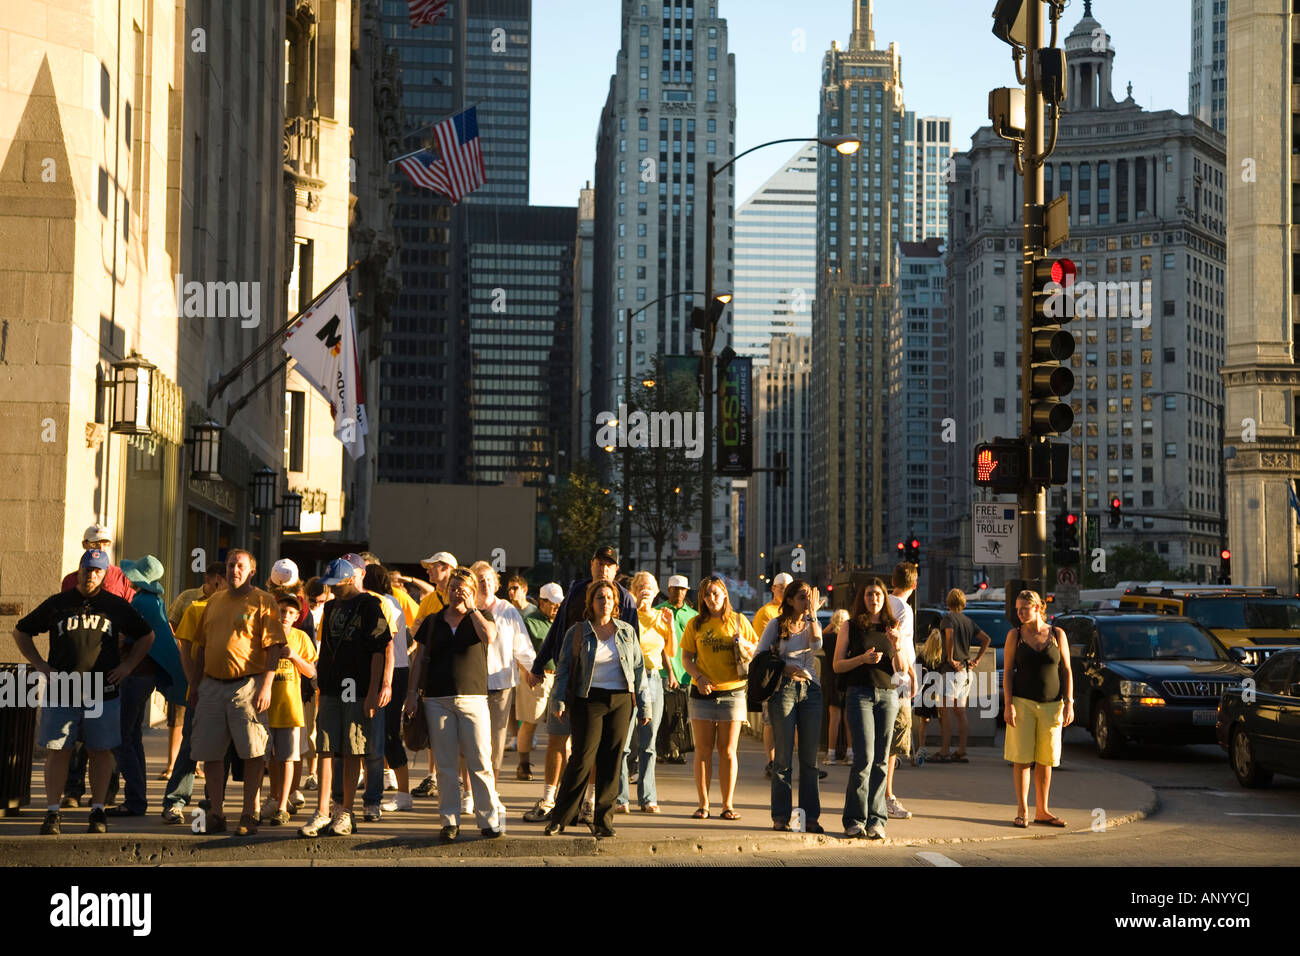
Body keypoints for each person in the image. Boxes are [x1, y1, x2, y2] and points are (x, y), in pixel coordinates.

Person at [14, 549, 154, 835]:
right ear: (79, 569)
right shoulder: (58, 603)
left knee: (101, 751)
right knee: (58, 750)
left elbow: (147, 635)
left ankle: (98, 810)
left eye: (97, 570)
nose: (91, 574)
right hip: (63, 690)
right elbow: (21, 631)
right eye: (87, 569)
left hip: (102, 691)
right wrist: (40, 664)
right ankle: (53, 813)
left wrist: (128, 666)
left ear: (105, 573)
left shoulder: (114, 605)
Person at [523, 546, 637, 824]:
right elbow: (558, 631)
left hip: (605, 689)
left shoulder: (626, 599)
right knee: (557, 739)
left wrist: (635, 693)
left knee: (593, 749)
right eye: (600, 563)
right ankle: (550, 799)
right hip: (570, 680)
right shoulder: (576, 592)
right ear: (592, 565)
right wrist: (539, 665)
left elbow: (633, 647)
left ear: (616, 570)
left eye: (610, 565)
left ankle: (589, 802)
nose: (604, 569)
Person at [189, 549, 288, 836]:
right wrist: (194, 686)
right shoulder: (214, 601)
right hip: (210, 685)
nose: (234, 570)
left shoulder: (263, 601)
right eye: (231, 564)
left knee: (253, 752)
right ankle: (217, 814)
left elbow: (274, 649)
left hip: (247, 686)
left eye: (240, 566)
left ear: (251, 571)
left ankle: (249, 814)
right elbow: (202, 648)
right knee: (210, 753)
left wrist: (266, 686)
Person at [404, 566, 502, 842]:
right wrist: (412, 693)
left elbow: (490, 637)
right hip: (437, 699)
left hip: (473, 698)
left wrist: (472, 610)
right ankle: (449, 820)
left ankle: (489, 820)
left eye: (463, 588)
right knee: (445, 765)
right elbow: (419, 658)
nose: (457, 592)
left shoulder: (482, 617)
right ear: (446, 591)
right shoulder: (433, 621)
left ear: (472, 592)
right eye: (453, 588)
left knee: (480, 761)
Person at [544, 581, 649, 837]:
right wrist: (557, 701)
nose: (605, 602)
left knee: (612, 761)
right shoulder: (578, 631)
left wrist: (644, 706)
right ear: (591, 603)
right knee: (582, 759)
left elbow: (638, 670)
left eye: (610, 598)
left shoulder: (626, 631)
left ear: (615, 603)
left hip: (621, 699)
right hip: (588, 699)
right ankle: (560, 817)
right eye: (600, 598)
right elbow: (564, 668)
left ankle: (604, 821)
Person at [297, 558, 391, 837]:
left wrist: (375, 689)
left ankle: (346, 812)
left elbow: (380, 649)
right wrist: (319, 681)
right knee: (326, 747)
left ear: (350, 579)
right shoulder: (330, 606)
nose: (331, 590)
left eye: (335, 584)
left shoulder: (370, 605)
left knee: (353, 749)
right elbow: (325, 646)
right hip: (330, 686)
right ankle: (323, 810)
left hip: (357, 686)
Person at [58, 524, 135, 808]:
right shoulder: (69, 580)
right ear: (84, 545)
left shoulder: (121, 579)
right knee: (75, 732)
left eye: (105, 543)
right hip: (76, 667)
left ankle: (106, 792)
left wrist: (125, 654)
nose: (100, 548)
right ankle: (73, 790)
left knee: (105, 734)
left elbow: (133, 617)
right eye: (95, 543)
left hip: (109, 667)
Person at [106, 556, 187, 818]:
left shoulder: (140, 602)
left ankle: (135, 800)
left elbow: (130, 638)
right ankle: (137, 798)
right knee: (133, 737)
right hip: (146, 676)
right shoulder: (155, 601)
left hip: (135, 675)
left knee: (120, 739)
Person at [680, 575, 757, 821]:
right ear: (702, 598)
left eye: (716, 593)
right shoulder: (696, 624)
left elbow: (756, 650)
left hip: (733, 691)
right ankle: (703, 804)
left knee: (727, 751)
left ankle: (727, 804)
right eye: (707, 594)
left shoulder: (739, 620)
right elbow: (686, 659)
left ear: (725, 595)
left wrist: (744, 642)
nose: (712, 598)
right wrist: (699, 678)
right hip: (702, 692)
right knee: (703, 750)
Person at [835, 577, 906, 839]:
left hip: (888, 695)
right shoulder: (851, 626)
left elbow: (900, 668)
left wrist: (896, 644)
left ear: (884, 598)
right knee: (863, 758)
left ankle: (877, 821)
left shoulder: (892, 626)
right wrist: (862, 659)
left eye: (877, 594)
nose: (874, 599)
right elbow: (837, 665)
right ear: (862, 598)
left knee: (881, 760)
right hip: (860, 694)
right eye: (869, 595)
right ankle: (854, 819)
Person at [757, 579, 825, 832]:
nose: (806, 601)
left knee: (809, 760)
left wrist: (813, 615)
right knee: (783, 758)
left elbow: (817, 644)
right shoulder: (776, 625)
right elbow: (759, 656)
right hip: (783, 690)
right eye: (801, 597)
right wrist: (784, 667)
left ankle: (809, 818)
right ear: (788, 600)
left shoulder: (811, 622)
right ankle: (781, 817)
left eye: (809, 597)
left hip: (811, 691)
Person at [160, 570, 228, 824]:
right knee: (190, 746)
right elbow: (184, 649)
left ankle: (213, 802)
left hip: (230, 691)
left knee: (221, 752)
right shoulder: (195, 606)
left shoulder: (244, 607)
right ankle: (175, 801)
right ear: (216, 581)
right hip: (200, 690)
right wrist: (192, 682)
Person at [1004, 590, 1074, 829]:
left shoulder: (1057, 634)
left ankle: (1042, 810)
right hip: (1022, 704)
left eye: (1024, 608)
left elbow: (1066, 670)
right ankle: (1022, 810)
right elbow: (1008, 673)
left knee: (1046, 759)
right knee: (1022, 759)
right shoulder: (1015, 636)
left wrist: (1069, 702)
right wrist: (1008, 704)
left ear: (1038, 608)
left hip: (1053, 705)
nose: (1020, 613)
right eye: (1017, 609)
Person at [619, 571, 677, 813]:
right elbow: (626, 643)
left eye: (650, 587)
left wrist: (670, 626)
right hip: (629, 679)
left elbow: (671, 651)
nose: (646, 590)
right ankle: (621, 798)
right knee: (624, 744)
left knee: (649, 742)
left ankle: (648, 797)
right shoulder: (627, 615)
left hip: (653, 679)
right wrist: (636, 611)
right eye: (641, 586)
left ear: (656, 591)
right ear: (633, 590)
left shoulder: (663, 616)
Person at [472, 562, 535, 779]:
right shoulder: (467, 610)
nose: (486, 584)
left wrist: (533, 670)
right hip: (471, 684)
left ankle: (492, 788)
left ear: (496, 584)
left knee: (496, 738)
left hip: (501, 683)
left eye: (489, 580)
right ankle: (470, 789)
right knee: (472, 738)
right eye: (480, 580)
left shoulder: (507, 610)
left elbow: (522, 644)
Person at [263, 594, 317, 825]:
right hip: (264, 707)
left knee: (287, 758)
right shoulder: (264, 634)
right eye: (282, 610)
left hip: (290, 706)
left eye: (291, 612)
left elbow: (311, 671)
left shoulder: (301, 637)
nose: (285, 615)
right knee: (268, 759)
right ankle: (273, 797)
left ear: (296, 618)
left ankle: (284, 804)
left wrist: (293, 655)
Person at [410, 550, 457, 798]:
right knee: (432, 723)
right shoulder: (429, 600)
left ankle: (457, 779)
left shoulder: (463, 594)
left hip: (460, 670)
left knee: (459, 728)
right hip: (433, 667)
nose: (428, 571)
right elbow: (417, 630)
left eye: (432, 566)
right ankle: (433, 776)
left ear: (446, 568)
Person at [509, 577, 559, 780]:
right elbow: (520, 651)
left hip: (559, 678)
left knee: (560, 724)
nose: (556, 607)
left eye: (559, 603)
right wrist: (529, 673)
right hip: (536, 677)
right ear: (542, 602)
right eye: (552, 603)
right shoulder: (530, 622)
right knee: (530, 723)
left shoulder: (563, 622)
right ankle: (523, 764)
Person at [937, 589, 991, 763]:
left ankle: (945, 751)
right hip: (966, 672)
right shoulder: (968, 621)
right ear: (963, 603)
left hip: (951, 671)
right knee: (961, 712)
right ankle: (962, 750)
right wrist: (977, 660)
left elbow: (949, 636)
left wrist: (950, 657)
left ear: (948, 602)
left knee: (944, 712)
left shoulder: (948, 619)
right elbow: (986, 639)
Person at [884, 563, 920, 821]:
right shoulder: (904, 609)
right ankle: (887, 797)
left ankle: (879, 796)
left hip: (877, 676)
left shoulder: (882, 601)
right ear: (914, 585)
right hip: (897, 679)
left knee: (879, 742)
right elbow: (901, 645)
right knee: (894, 744)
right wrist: (912, 674)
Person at [752, 572, 792, 777]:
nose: (784, 590)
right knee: (770, 721)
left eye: (788, 586)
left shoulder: (795, 610)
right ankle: (771, 761)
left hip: (792, 675)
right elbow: (764, 645)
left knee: (789, 722)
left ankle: (786, 761)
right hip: (772, 673)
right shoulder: (766, 613)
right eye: (781, 587)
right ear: (773, 589)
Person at [656, 574, 697, 763]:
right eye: (675, 589)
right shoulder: (657, 611)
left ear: (686, 591)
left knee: (682, 713)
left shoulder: (694, 615)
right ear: (669, 590)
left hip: (686, 672)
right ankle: (663, 749)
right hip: (664, 670)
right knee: (663, 713)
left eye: (682, 589)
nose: (679, 592)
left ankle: (678, 748)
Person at [823, 609, 851, 764]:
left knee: (834, 719)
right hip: (848, 680)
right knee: (849, 718)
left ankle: (831, 754)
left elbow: (818, 637)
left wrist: (831, 626)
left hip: (832, 681)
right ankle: (850, 753)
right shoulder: (849, 637)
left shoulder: (829, 638)